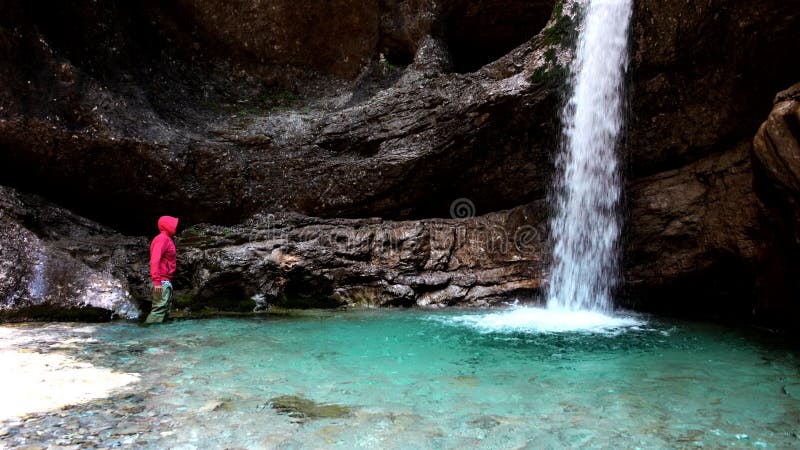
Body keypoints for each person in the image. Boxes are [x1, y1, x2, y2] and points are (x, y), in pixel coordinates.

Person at [145, 215, 179, 324]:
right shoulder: (162, 239)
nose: (176, 227)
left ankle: (160, 338)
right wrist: (157, 281)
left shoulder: (167, 239)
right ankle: (149, 334)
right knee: (159, 310)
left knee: (164, 310)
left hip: (165, 281)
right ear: (167, 226)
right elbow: (155, 260)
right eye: (173, 224)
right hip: (162, 281)